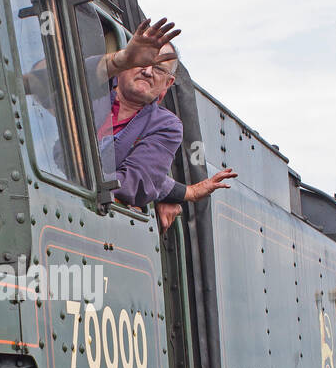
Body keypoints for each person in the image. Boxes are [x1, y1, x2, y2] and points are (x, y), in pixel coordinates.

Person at [90, 18, 235, 231]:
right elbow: (53, 76)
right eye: (140, 61)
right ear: (124, 62)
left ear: (167, 84)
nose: (147, 71)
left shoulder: (165, 126)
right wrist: (184, 191)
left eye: (158, 68)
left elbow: (136, 182)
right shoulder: (90, 89)